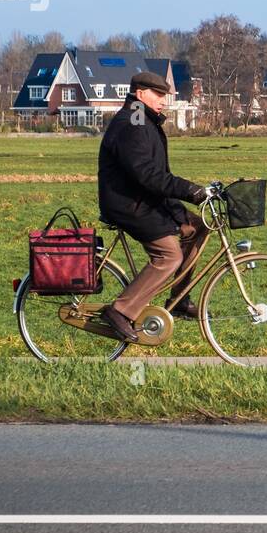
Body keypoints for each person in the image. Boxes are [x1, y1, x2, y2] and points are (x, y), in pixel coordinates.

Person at [96, 70, 209, 342]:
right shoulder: (133, 122)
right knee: (169, 256)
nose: (163, 101)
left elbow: (155, 176)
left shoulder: (144, 120)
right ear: (139, 94)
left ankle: (179, 299)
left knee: (197, 226)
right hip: (129, 204)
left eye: (165, 95)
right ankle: (121, 311)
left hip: (146, 199)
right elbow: (147, 175)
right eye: (158, 95)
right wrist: (190, 190)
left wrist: (185, 199)